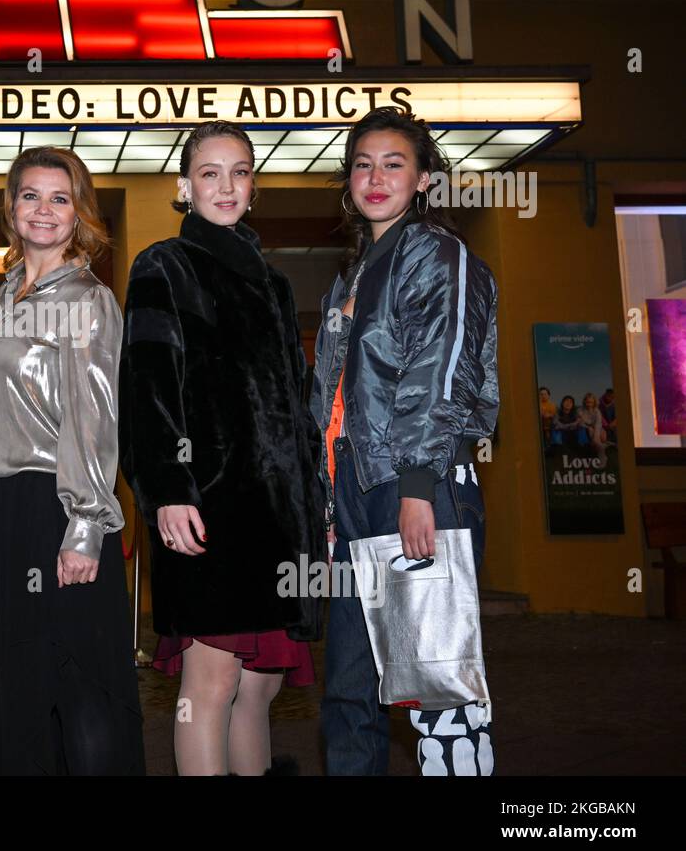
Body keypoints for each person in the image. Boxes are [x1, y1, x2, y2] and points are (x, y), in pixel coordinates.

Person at [119, 121, 324, 776]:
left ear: (253, 185)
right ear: (184, 186)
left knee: (258, 689)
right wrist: (168, 490)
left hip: (278, 519)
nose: (227, 185)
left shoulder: (276, 282)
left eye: (239, 171)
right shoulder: (164, 265)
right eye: (210, 172)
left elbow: (297, 403)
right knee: (209, 686)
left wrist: (314, 497)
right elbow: (146, 389)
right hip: (209, 509)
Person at [309, 106, 499, 776]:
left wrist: (418, 487)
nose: (376, 176)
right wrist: (328, 504)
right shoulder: (355, 274)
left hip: (420, 488)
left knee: (440, 700)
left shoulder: (438, 254)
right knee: (348, 694)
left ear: (423, 180)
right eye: (363, 164)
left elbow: (439, 374)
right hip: (356, 496)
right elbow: (331, 406)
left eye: (394, 163)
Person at [0, 146, 145, 775]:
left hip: (54, 507)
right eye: (30, 195)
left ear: (78, 212)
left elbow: (94, 421)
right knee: (10, 680)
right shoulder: (9, 293)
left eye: (59, 197)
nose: (44, 209)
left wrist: (87, 526)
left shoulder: (86, 299)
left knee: (75, 681)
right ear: (11, 208)